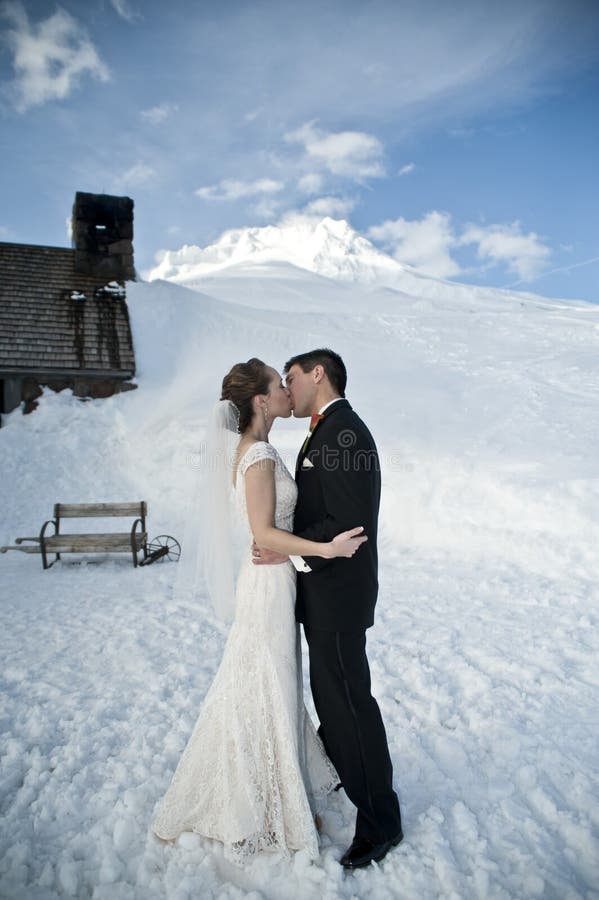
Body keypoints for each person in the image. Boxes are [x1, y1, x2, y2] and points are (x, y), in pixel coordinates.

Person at [152, 358, 367, 864]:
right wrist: (326, 550)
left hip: (277, 579)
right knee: (265, 685)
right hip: (268, 585)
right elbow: (263, 534)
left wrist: (297, 551)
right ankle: (262, 804)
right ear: (259, 401)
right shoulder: (259, 454)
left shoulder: (258, 450)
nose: (286, 390)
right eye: (278, 384)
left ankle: (273, 790)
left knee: (269, 684)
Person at [253, 348, 403, 869]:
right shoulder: (327, 430)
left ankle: (381, 822)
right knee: (336, 703)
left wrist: (287, 546)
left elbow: (349, 524)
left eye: (290, 377)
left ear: (318, 374)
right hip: (327, 592)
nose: (287, 389)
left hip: (339, 593)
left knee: (349, 707)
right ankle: (339, 767)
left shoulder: (343, 433)